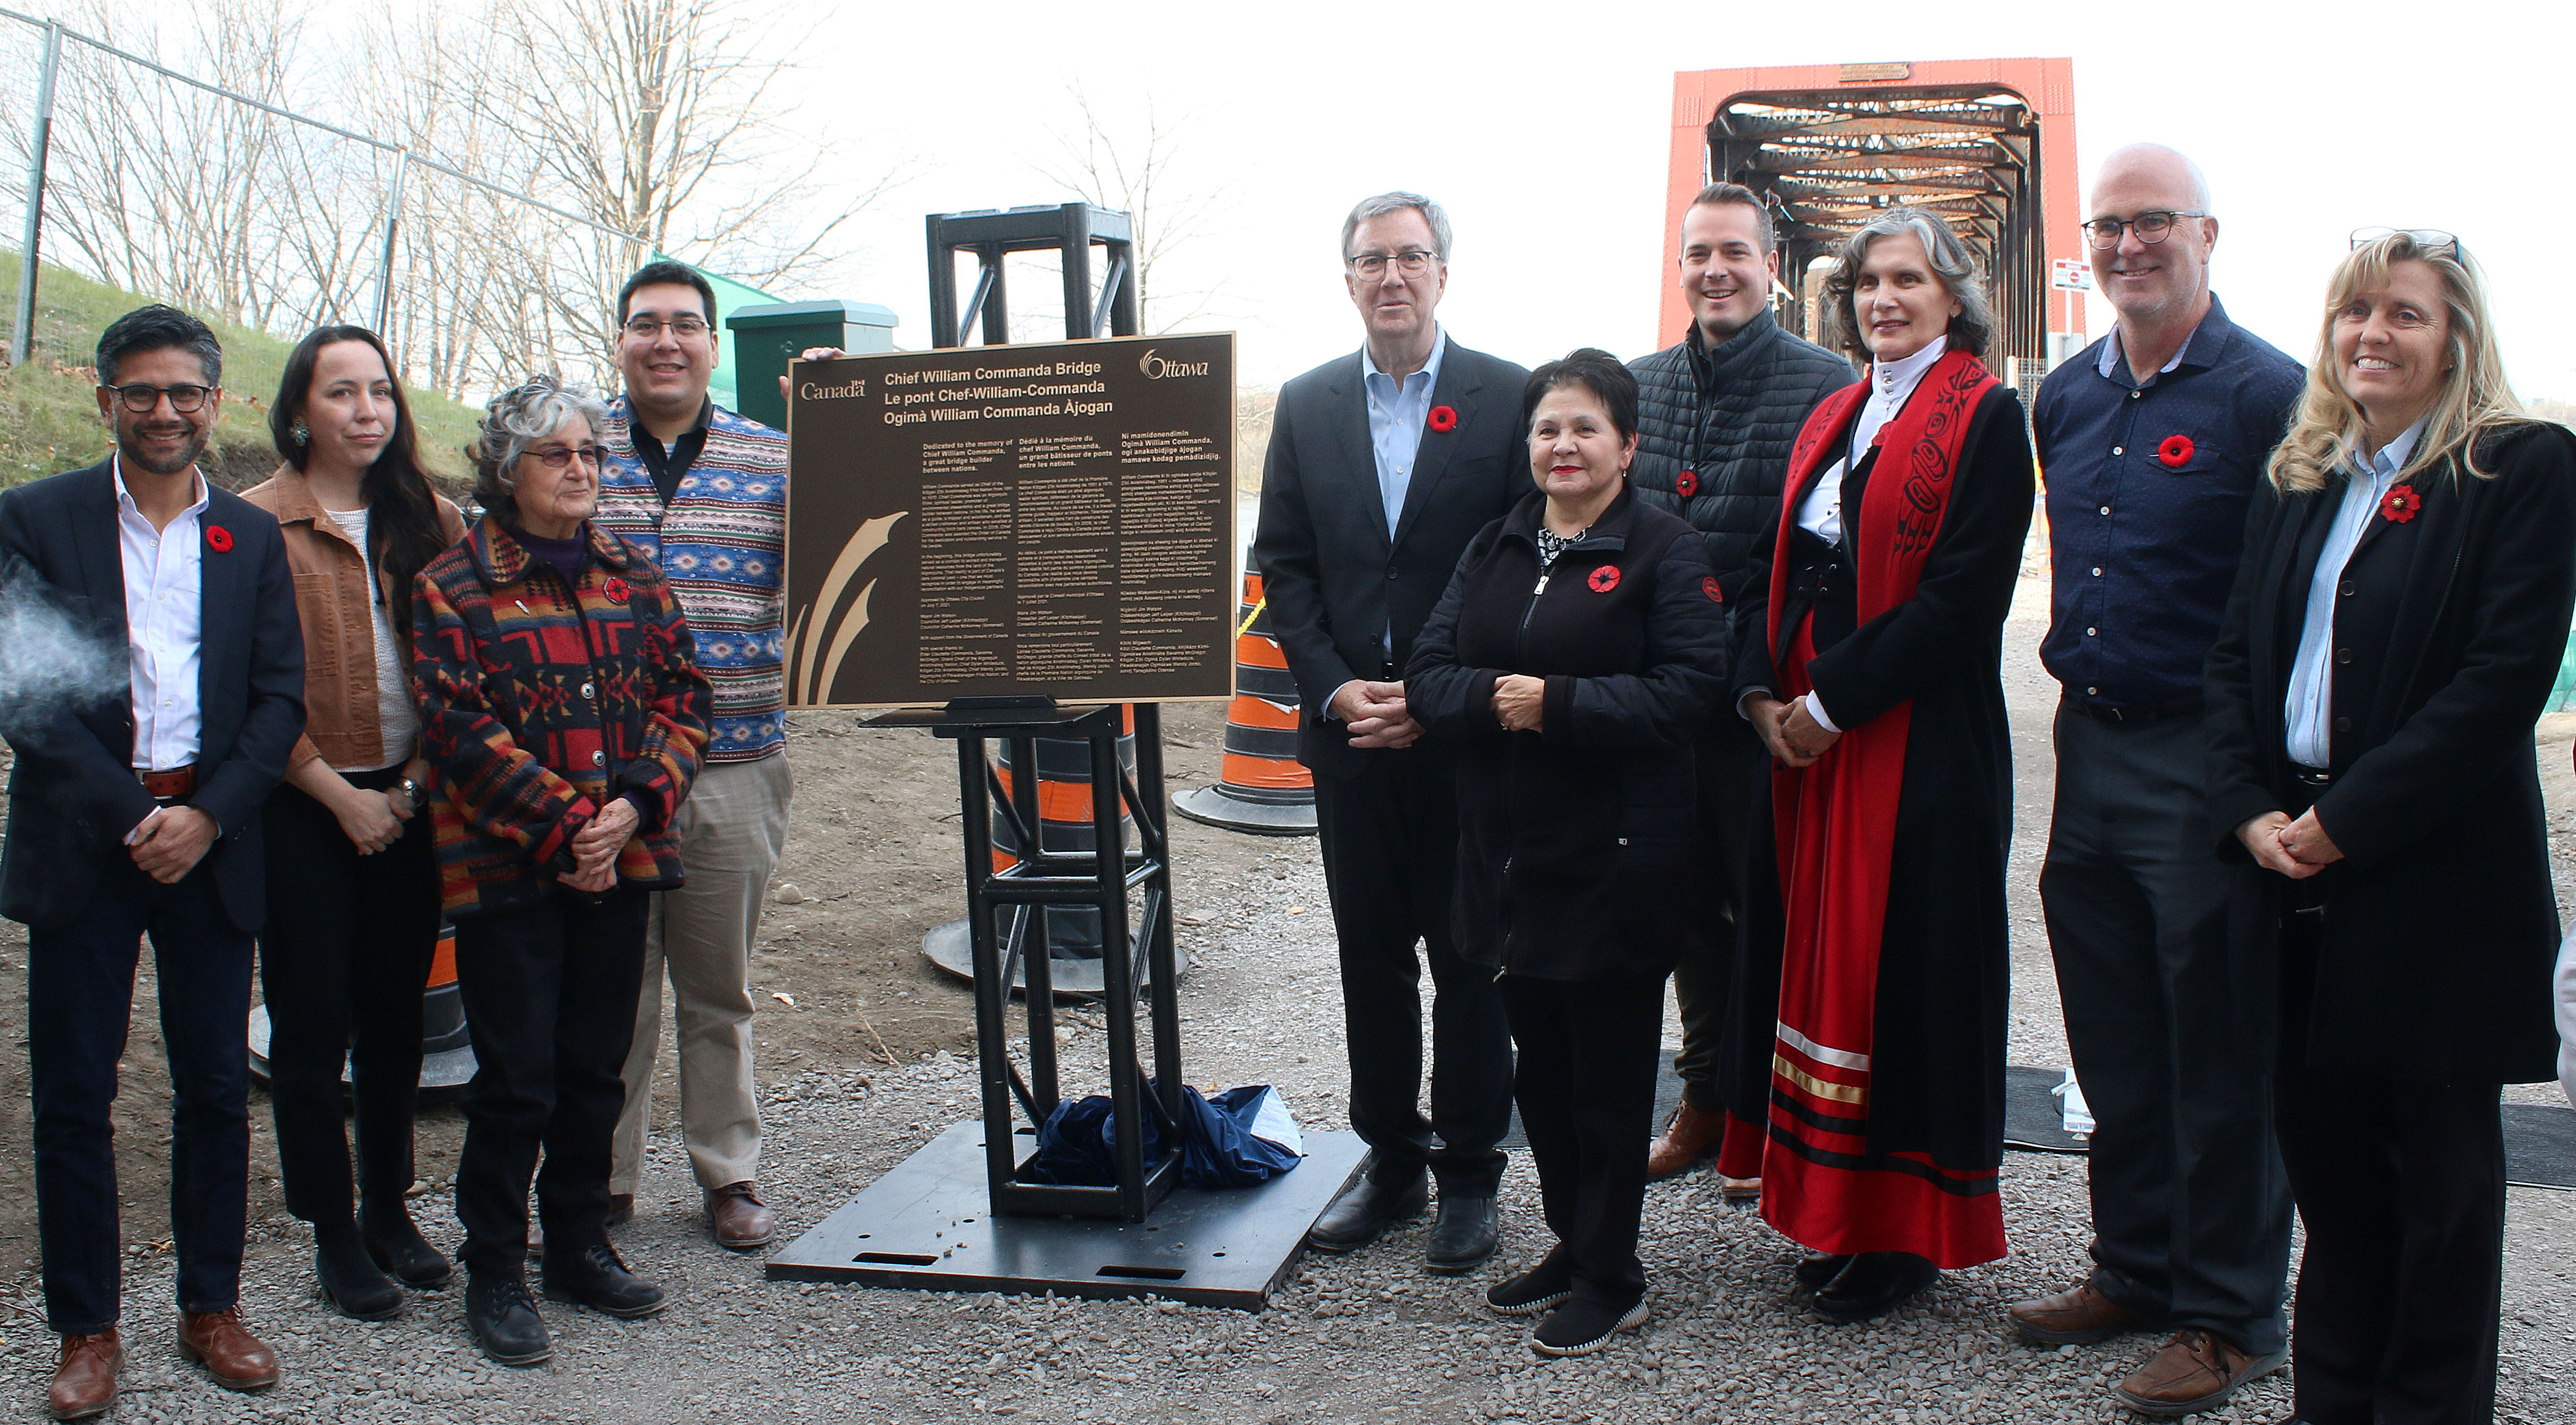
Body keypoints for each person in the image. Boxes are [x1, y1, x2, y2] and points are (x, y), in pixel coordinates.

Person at [2205, 228, 2576, 1425]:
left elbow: (2497, 682)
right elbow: (2230, 665)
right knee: (2335, 1184)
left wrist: (2338, 823)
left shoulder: (2517, 468)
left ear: (2455, 335)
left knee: (2439, 1191)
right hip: (2292, 880)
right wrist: (2253, 812)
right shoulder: (2299, 475)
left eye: (2404, 314)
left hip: (2435, 887)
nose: (2371, 333)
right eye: (2354, 311)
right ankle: (2335, 1403)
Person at [2010, 143, 2307, 1415]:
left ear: (2205, 234)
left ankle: (2229, 1311)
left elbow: (2299, 595)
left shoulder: (2267, 395)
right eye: (2108, 226)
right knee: (2116, 1036)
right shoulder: (2066, 395)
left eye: (2153, 223)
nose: (2128, 246)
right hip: (2091, 741)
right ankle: (2130, 1267)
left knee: (2217, 1043)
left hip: (2203, 753)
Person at [1721, 207, 2032, 1324]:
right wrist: (1759, 688)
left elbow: (1960, 605)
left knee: (1900, 980)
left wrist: (1827, 701)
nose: (1882, 299)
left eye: (1907, 279)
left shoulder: (1986, 419)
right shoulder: (1840, 411)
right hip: (1806, 745)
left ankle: (1897, 1234)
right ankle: (1827, 1207)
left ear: (1955, 297)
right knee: (1819, 965)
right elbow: (1785, 562)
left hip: (1911, 746)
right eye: (1865, 283)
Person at [0, 305, 305, 1419]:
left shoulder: (250, 536)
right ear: (105, 401)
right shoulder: (34, 519)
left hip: (212, 842)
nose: (164, 411)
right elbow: (21, 692)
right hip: (91, 835)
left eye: (184, 392)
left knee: (215, 1086)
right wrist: (140, 813)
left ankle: (211, 1306)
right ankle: (86, 1329)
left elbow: (278, 701)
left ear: (213, 403)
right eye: (141, 392)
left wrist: (209, 815)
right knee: (76, 1093)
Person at [1407, 349, 1727, 1356]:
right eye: (1548, 428)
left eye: (1585, 428)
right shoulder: (1496, 545)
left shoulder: (1666, 552)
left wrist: (1561, 706)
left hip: (1616, 859)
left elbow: (1690, 692)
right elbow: (1428, 670)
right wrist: (1497, 699)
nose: (1563, 445)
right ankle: (1568, 1241)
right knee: (1538, 1072)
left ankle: (1612, 1272)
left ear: (1627, 447)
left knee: (1609, 1078)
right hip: (1509, 856)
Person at [410, 374, 712, 1365]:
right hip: (509, 873)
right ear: (507, 472)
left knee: (594, 1068)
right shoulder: (452, 587)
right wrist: (571, 830)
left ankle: (579, 1243)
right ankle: (496, 1268)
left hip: (621, 856)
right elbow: (461, 732)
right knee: (517, 1081)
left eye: (590, 453)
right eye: (558, 455)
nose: (582, 469)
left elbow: (686, 698)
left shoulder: (632, 571)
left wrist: (627, 811)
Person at [1253, 192, 1529, 1271]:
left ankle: (1471, 1172)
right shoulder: (1309, 402)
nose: (1393, 277)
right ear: (1350, 278)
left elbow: (1518, 562)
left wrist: (1439, 689)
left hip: (1461, 737)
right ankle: (1393, 1163)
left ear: (1444, 274)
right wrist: (1332, 689)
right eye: (1372, 260)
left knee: (1471, 958)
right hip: (1351, 739)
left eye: (1412, 257)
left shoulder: (1505, 398)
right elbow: (1285, 565)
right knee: (1371, 958)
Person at [239, 326, 467, 1322]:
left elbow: (463, 674)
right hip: (301, 804)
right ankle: (331, 1228)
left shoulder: (436, 521)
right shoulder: (249, 526)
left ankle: (388, 1209)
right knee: (309, 1023)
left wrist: (410, 787)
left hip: (412, 798)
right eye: (342, 393)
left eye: (380, 391)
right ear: (301, 410)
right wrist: (338, 795)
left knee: (393, 1018)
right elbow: (243, 689)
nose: (366, 410)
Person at [1626, 182, 1851, 1187]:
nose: (1715, 272)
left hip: (1757, 702)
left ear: (1772, 268)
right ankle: (1708, 1096)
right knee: (1678, 909)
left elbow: (1823, 560)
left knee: (1771, 908)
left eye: (1735, 253)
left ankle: (1774, 1115)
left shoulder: (1828, 386)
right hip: (1657, 705)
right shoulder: (1636, 386)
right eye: (1697, 255)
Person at [593, 259, 790, 1251]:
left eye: (684, 325)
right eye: (644, 325)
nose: (664, 342)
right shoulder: (574, 454)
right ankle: (605, 1177)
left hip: (735, 764)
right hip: (600, 784)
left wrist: (840, 417)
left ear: (713, 344)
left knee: (717, 987)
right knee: (610, 990)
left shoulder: (775, 459)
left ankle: (728, 1173)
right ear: (620, 339)